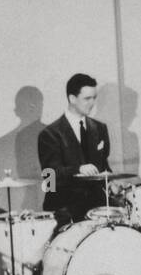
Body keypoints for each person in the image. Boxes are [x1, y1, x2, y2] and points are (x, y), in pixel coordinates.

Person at [38, 73, 112, 224]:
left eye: (94, 98)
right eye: (87, 99)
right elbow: (49, 175)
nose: (92, 103)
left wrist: (111, 182)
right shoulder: (50, 134)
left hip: (97, 205)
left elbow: (103, 165)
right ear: (72, 99)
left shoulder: (100, 128)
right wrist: (78, 169)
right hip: (65, 207)